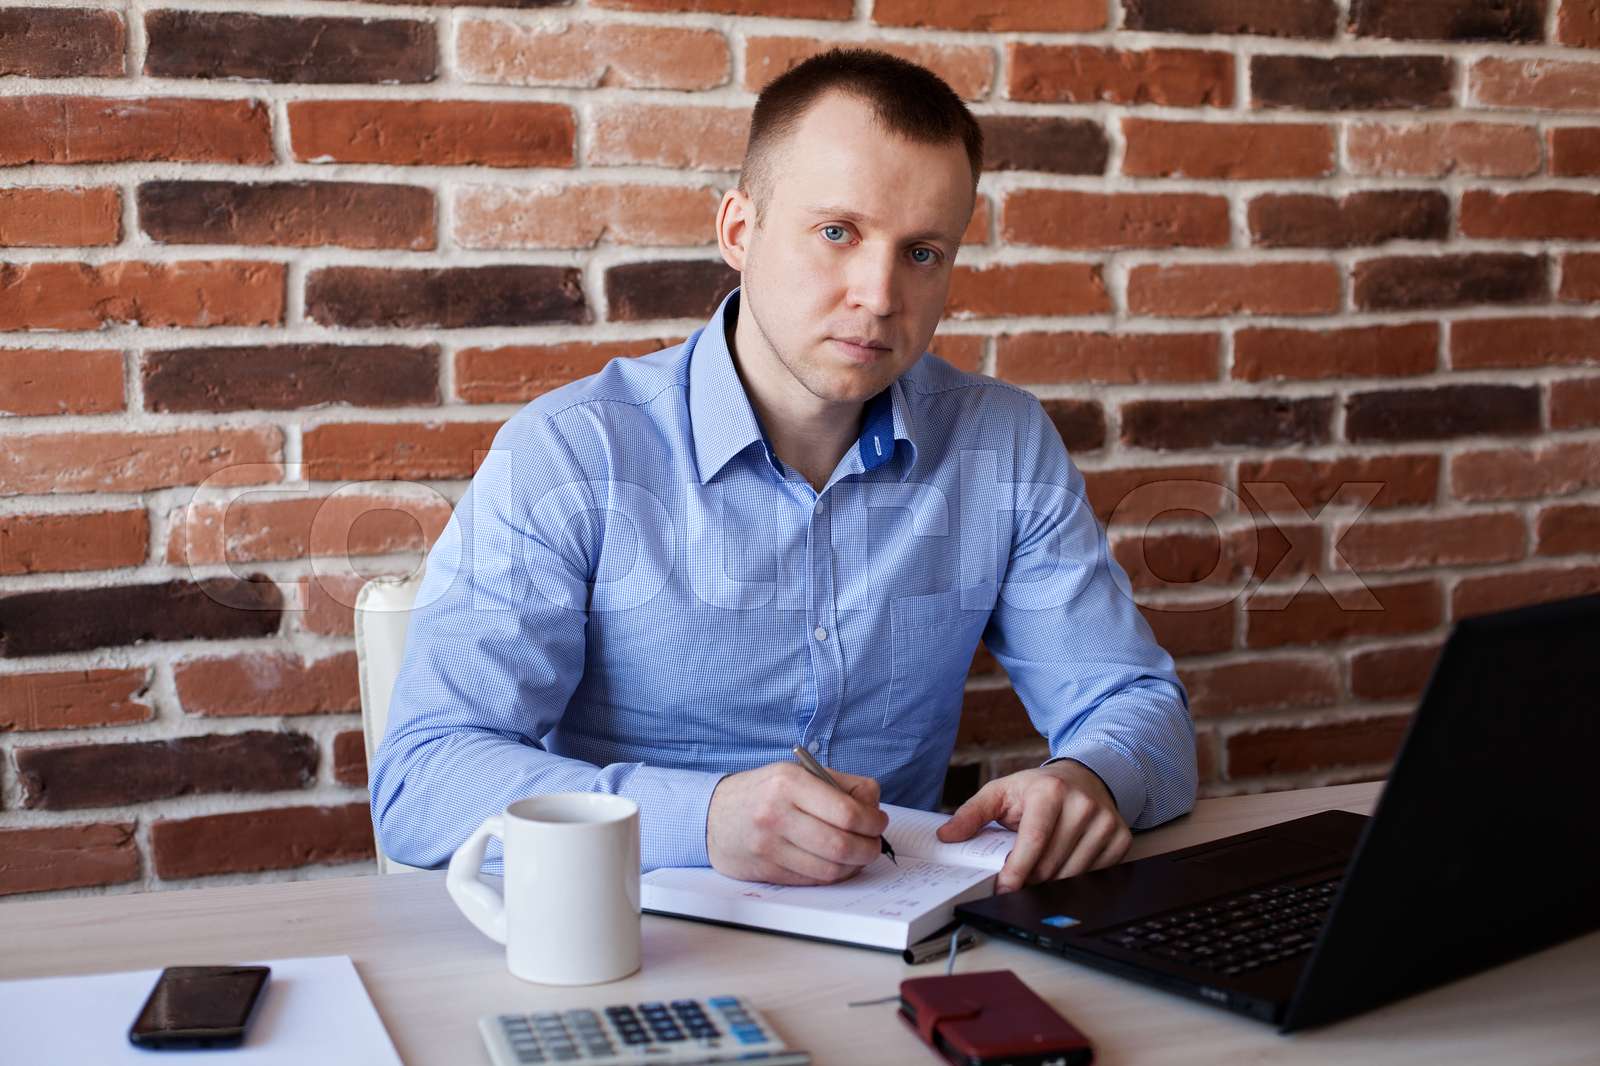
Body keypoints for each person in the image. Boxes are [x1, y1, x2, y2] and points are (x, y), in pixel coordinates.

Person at [371, 48, 1196, 895]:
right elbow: (423, 783)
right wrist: (703, 819)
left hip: (901, 944)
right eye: (837, 232)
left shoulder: (1002, 442)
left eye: (922, 253)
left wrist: (1091, 780)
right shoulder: (572, 451)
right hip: (633, 941)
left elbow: (1142, 714)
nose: (878, 295)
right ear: (739, 230)